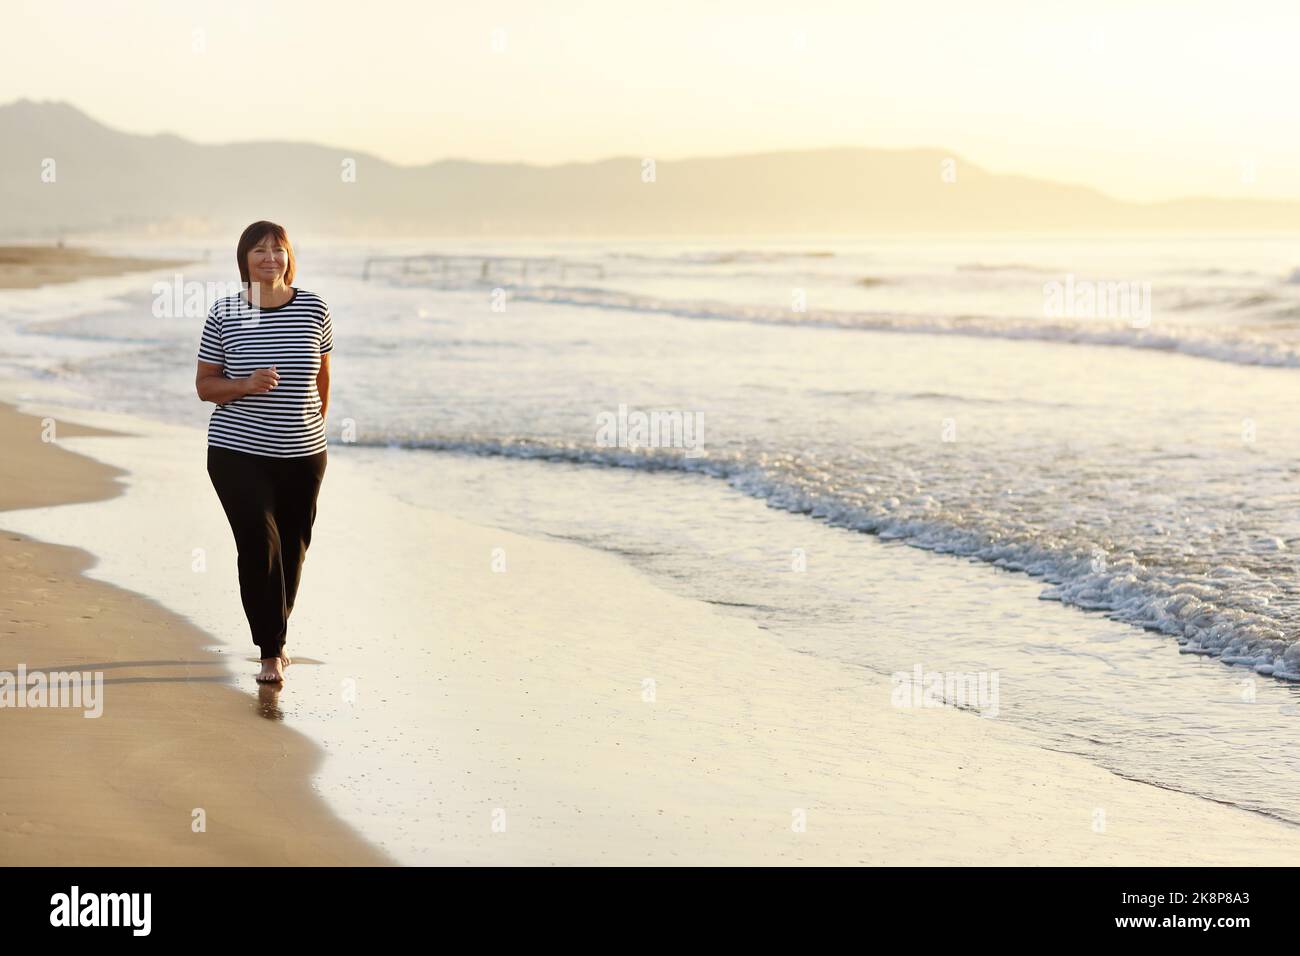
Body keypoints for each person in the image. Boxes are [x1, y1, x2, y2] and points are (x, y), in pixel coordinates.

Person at [195, 221, 333, 684]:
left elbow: (323, 374)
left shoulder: (314, 307)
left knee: (292, 549)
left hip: (304, 454)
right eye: (259, 250)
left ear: (289, 256)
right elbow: (205, 386)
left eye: (278, 249)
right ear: (244, 259)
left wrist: (315, 427)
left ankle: (276, 631)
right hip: (237, 452)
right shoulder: (225, 313)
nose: (270, 257)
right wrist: (244, 386)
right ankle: (270, 650)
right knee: (259, 543)